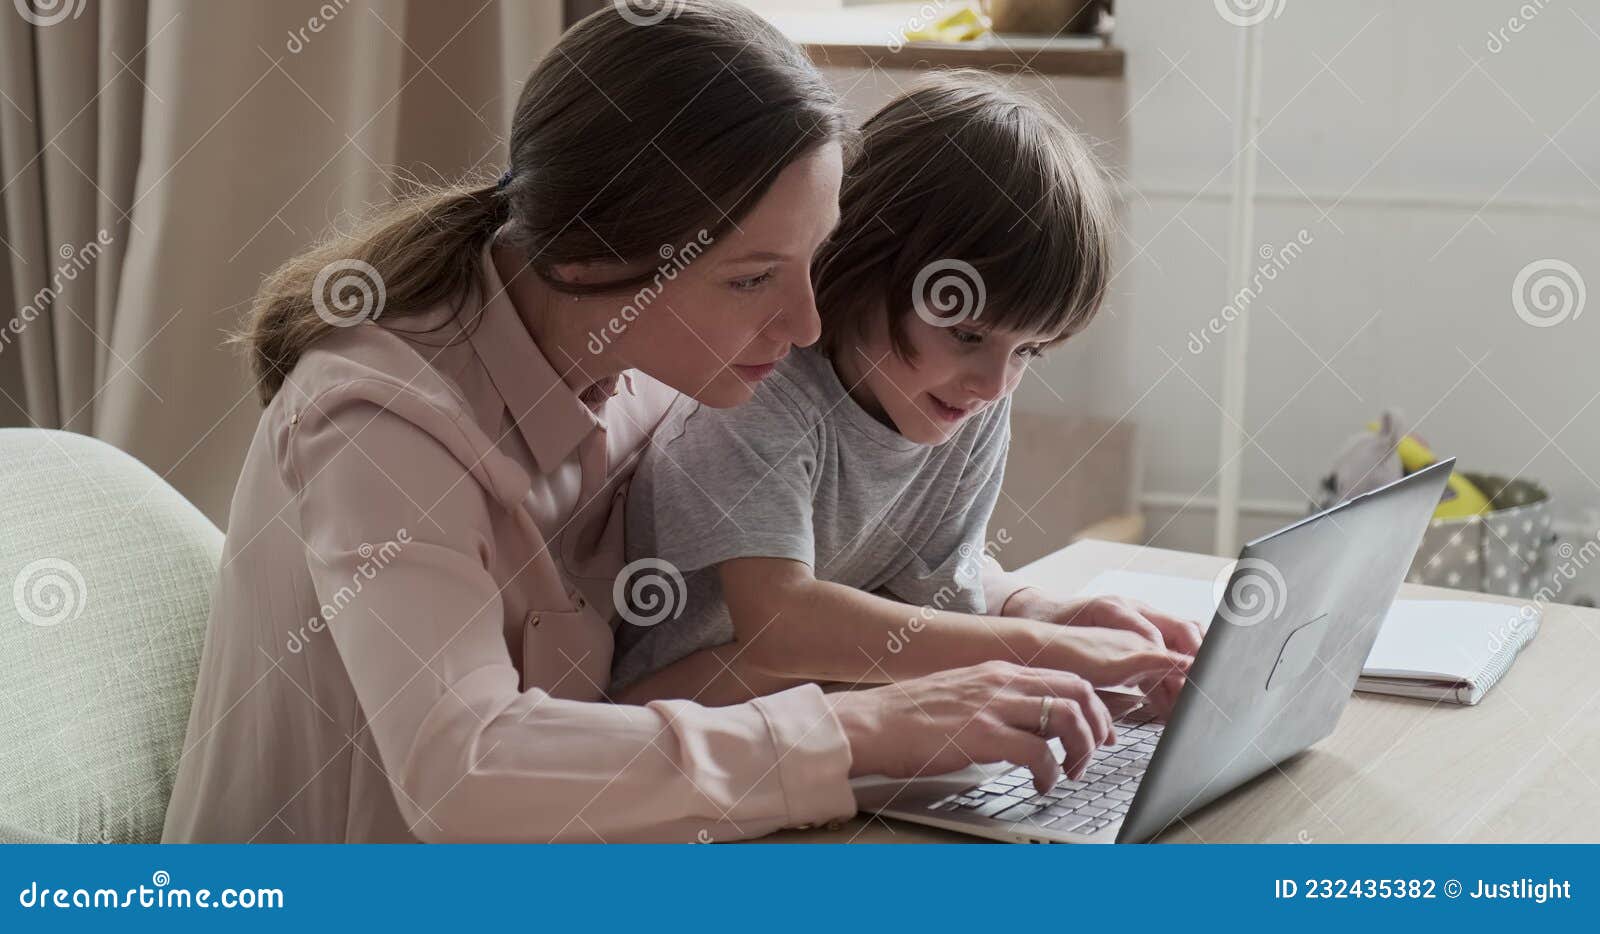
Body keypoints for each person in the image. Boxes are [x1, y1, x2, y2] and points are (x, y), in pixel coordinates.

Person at [162, 2, 1166, 844]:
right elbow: (464, 770)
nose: (808, 324)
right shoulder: (378, 420)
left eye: (814, 263)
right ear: (597, 253)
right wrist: (863, 730)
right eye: (753, 278)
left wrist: (1024, 611)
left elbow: (799, 543)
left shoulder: (663, 363)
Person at [611, 74, 1200, 769]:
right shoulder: (762, 396)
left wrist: (1043, 613)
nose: (994, 384)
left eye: (1029, 350)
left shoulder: (967, 399)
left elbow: (936, 593)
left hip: (831, 723)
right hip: (671, 733)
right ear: (862, 265)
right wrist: (1038, 649)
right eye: (968, 333)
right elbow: (780, 627)